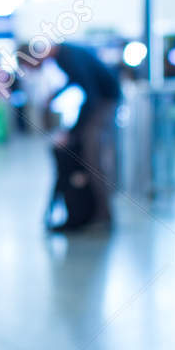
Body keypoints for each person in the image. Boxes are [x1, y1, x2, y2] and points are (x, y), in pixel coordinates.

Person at [20, 40, 121, 232]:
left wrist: (71, 132)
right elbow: (76, 81)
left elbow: (90, 97)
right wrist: (56, 94)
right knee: (85, 151)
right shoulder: (63, 55)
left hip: (105, 102)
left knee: (93, 158)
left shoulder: (67, 57)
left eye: (31, 65)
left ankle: (102, 216)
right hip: (101, 101)